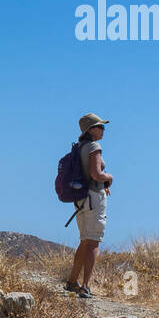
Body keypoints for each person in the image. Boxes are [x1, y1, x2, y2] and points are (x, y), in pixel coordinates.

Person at [66, 113, 113, 297]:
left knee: (84, 240)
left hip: (80, 199)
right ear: (91, 129)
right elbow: (96, 174)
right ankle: (85, 286)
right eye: (100, 126)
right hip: (94, 197)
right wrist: (109, 178)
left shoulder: (79, 147)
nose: (103, 130)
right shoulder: (94, 146)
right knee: (93, 241)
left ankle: (72, 281)